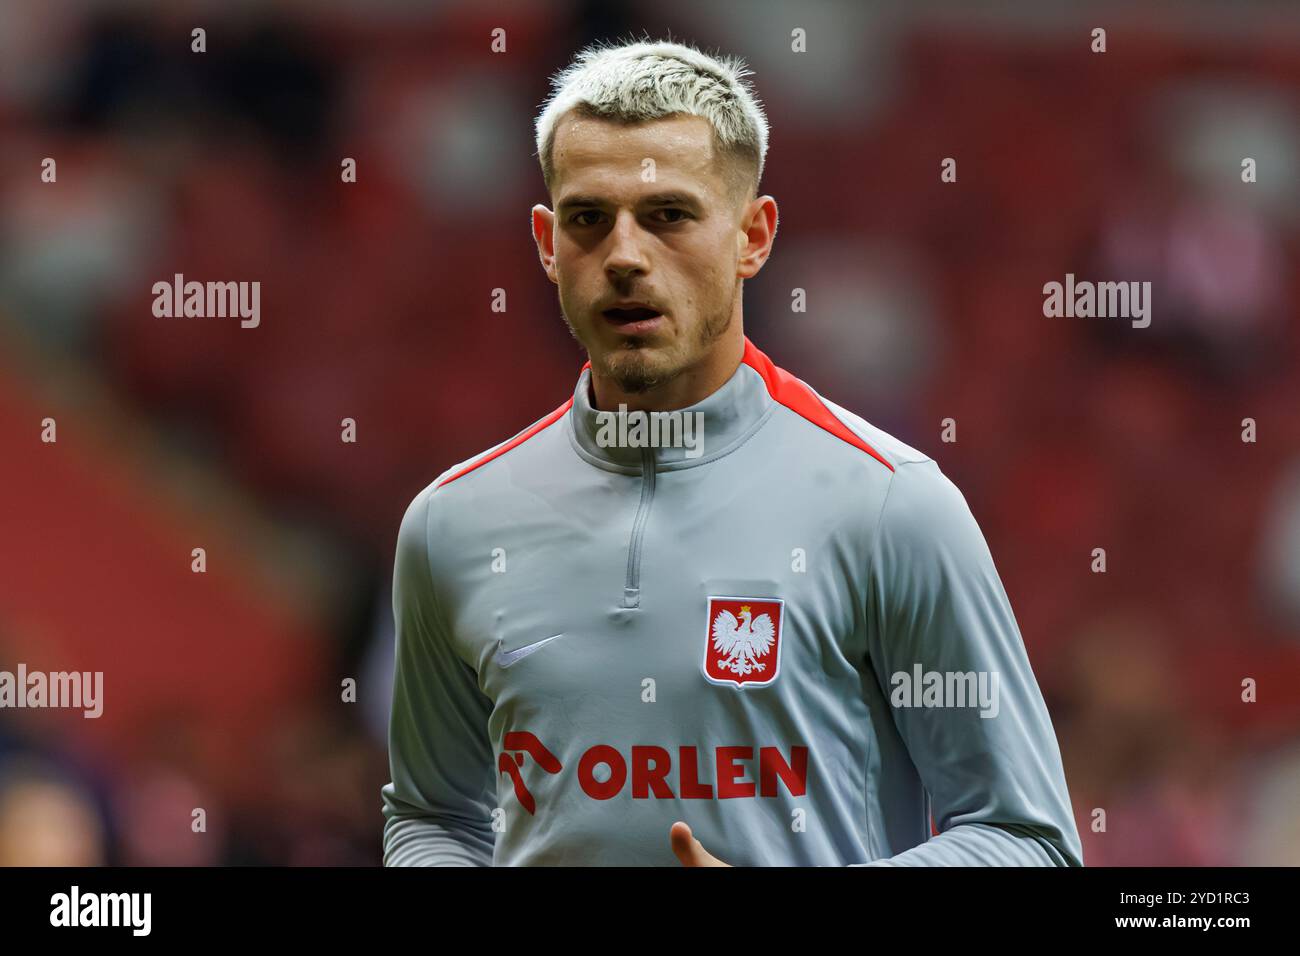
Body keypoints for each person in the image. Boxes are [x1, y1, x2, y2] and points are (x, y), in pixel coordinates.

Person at [381, 38, 1082, 866]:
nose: (626, 256)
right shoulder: (453, 524)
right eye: (588, 220)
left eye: (669, 216)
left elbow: (1029, 841)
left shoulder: (892, 506)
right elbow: (430, 815)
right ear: (545, 242)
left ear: (753, 235)